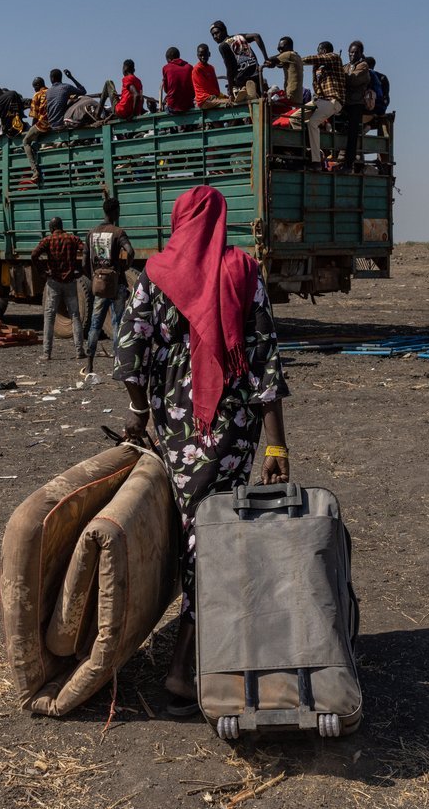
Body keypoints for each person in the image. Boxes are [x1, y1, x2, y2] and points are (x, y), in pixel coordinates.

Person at [114, 184, 289, 715]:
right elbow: (264, 359)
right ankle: (183, 670)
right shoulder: (243, 271)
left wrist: (140, 412)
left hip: (175, 432)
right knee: (213, 539)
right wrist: (276, 445)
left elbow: (128, 351)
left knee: (196, 534)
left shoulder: (155, 274)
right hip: (232, 432)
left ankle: (195, 658)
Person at [84, 196, 136, 373]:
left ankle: (90, 364)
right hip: (116, 284)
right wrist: (124, 267)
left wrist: (93, 277)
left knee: (94, 325)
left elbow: (84, 261)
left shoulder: (92, 233)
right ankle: (117, 364)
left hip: (99, 283)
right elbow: (130, 251)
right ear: (115, 212)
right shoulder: (118, 232)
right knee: (117, 324)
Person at [31, 215, 85, 361]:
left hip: (53, 281)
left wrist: (42, 271)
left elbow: (34, 255)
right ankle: (79, 351)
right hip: (70, 281)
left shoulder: (47, 240)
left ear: (52, 228)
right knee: (75, 315)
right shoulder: (72, 239)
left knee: (50, 316)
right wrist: (82, 269)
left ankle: (46, 353)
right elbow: (86, 250)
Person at [301, 42, 347, 168]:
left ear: (324, 50)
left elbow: (318, 58)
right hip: (320, 100)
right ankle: (304, 151)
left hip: (333, 100)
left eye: (319, 50)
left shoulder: (334, 58)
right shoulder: (317, 67)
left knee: (312, 123)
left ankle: (316, 161)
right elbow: (316, 87)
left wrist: (297, 61)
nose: (317, 53)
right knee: (296, 118)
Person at [208, 21, 267, 101]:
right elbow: (256, 36)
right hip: (256, 74)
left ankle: (243, 91)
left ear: (224, 30)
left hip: (241, 78)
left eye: (217, 33)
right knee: (260, 99)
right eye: (213, 35)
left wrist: (231, 93)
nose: (215, 36)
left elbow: (229, 69)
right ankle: (250, 92)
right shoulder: (239, 37)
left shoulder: (223, 46)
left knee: (234, 86)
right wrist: (266, 58)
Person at [341, 42, 375, 168]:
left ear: (361, 53)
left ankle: (349, 164)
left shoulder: (363, 66)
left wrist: (340, 76)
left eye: (356, 52)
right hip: (345, 103)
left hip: (356, 103)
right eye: (351, 52)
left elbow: (353, 80)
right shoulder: (346, 66)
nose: (353, 54)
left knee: (352, 134)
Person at [21, 77, 50, 179]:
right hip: (53, 123)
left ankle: (34, 170)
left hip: (43, 124)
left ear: (37, 85)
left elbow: (34, 116)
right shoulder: (50, 91)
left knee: (25, 141)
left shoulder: (37, 95)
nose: (34, 89)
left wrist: (32, 129)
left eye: (34, 87)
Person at [265, 36, 304, 107]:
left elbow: (269, 59)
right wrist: (275, 63)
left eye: (282, 48)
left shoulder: (288, 54)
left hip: (290, 95)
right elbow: (279, 65)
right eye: (278, 49)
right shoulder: (296, 56)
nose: (280, 50)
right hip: (298, 97)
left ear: (288, 46)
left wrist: (271, 62)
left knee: (267, 103)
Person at [192, 44, 231, 109]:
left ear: (209, 54)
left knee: (230, 99)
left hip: (213, 97)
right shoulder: (197, 69)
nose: (203, 57)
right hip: (204, 100)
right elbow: (206, 88)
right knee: (227, 101)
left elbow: (215, 85)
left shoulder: (211, 68)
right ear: (197, 56)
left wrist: (221, 95)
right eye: (200, 55)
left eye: (205, 55)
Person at [161, 47, 194, 114]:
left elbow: (166, 90)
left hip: (173, 106)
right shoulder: (190, 67)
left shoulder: (166, 68)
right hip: (189, 105)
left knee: (163, 108)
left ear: (169, 59)